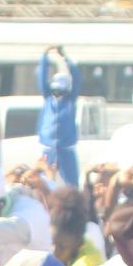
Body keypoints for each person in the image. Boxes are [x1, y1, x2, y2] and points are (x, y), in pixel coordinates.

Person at [37, 47, 80, 183]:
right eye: (55, 89)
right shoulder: (48, 98)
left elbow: (76, 78)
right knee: (44, 181)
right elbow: (42, 77)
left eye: (60, 90)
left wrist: (65, 57)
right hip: (48, 147)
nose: (57, 93)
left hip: (66, 148)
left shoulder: (70, 101)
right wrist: (45, 56)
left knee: (71, 183)